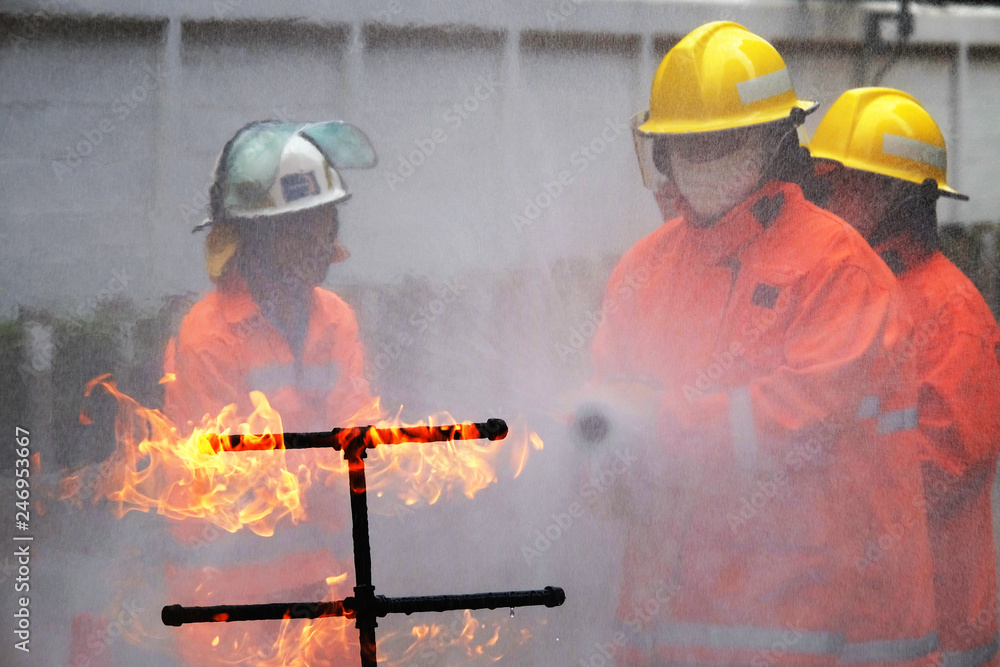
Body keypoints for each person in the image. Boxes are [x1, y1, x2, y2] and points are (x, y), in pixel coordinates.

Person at [577, 22, 938, 666]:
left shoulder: (840, 269)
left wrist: (653, 423)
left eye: (722, 142)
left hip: (814, 634)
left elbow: (795, 423)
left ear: (776, 141)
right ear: (660, 154)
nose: (701, 161)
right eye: (686, 145)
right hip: (666, 642)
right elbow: (607, 417)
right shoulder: (642, 270)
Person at [161, 120, 380, 666]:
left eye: (323, 219)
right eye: (299, 224)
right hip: (229, 609)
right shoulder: (207, 337)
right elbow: (243, 479)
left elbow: (361, 438)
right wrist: (337, 465)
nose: (320, 237)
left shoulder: (336, 319)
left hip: (326, 593)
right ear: (253, 238)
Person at [810, 88, 1000, 667]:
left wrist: (810, 488)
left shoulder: (953, 311)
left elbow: (938, 472)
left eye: (855, 182)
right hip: (867, 627)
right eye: (829, 180)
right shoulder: (849, 295)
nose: (835, 199)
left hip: (942, 636)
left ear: (908, 196)